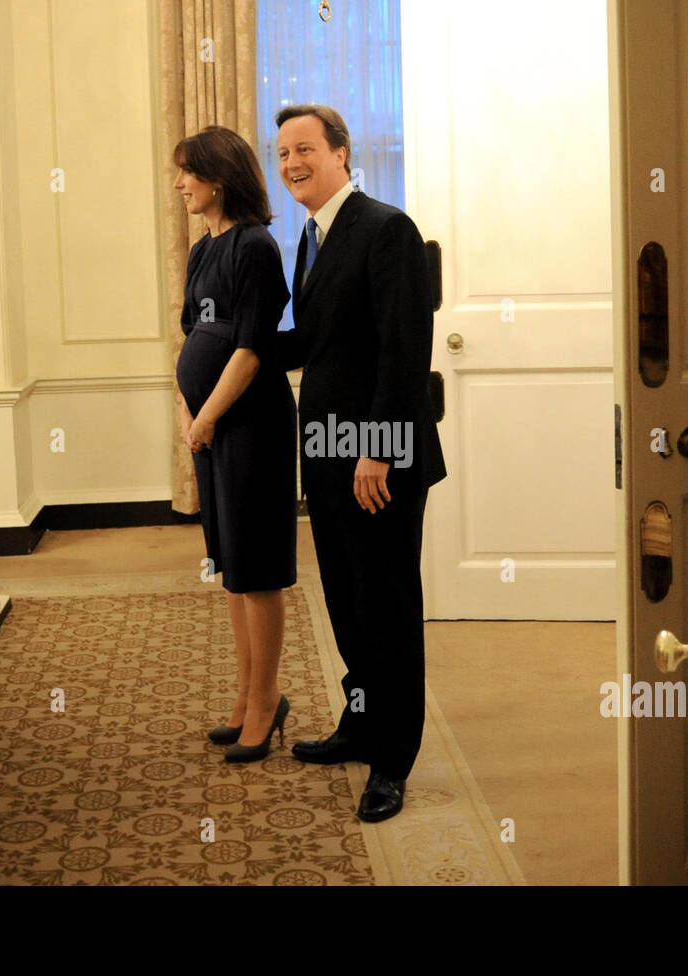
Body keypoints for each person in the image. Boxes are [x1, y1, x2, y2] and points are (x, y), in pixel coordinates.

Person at [274, 104, 446, 822]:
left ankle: (392, 760)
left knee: (387, 605)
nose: (291, 164)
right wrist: (229, 347)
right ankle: (360, 720)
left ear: (342, 152)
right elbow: (316, 343)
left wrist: (376, 447)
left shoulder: (386, 228)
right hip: (326, 453)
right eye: (282, 153)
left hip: (381, 456)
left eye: (305, 149)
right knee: (344, 597)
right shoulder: (311, 239)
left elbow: (403, 352)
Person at [172, 125, 296, 762]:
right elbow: (196, 337)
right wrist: (192, 412)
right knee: (230, 565)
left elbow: (250, 351)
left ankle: (268, 698)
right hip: (212, 428)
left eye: (187, 173)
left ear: (218, 177)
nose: (179, 184)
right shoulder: (202, 251)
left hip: (251, 427)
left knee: (259, 569)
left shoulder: (255, 247)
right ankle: (247, 697)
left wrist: (208, 416)